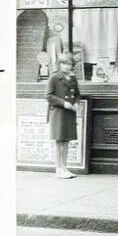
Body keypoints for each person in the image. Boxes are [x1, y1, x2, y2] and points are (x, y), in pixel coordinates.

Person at [45, 50, 80, 179]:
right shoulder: (54, 77)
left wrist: (76, 103)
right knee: (59, 141)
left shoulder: (73, 78)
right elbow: (48, 95)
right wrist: (63, 103)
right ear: (59, 64)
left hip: (69, 113)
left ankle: (65, 167)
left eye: (70, 64)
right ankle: (58, 169)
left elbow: (77, 94)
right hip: (58, 113)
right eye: (64, 64)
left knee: (66, 141)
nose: (67, 66)